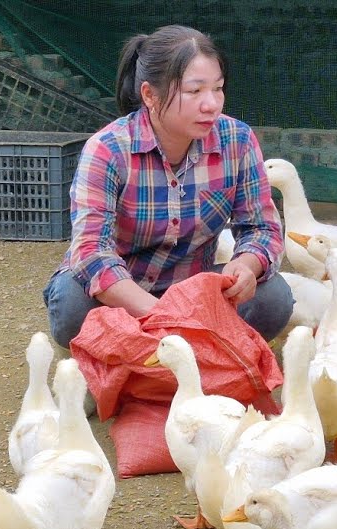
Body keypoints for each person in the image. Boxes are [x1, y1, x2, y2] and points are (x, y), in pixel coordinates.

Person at [44, 25, 293, 348]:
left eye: (217, 89)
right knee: (72, 308)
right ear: (150, 95)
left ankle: (183, 353)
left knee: (273, 298)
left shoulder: (238, 141)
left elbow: (262, 228)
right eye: (194, 91)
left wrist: (246, 266)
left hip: (193, 289)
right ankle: (116, 356)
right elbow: (92, 252)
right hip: (121, 292)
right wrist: (162, 315)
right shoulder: (107, 149)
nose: (211, 104)